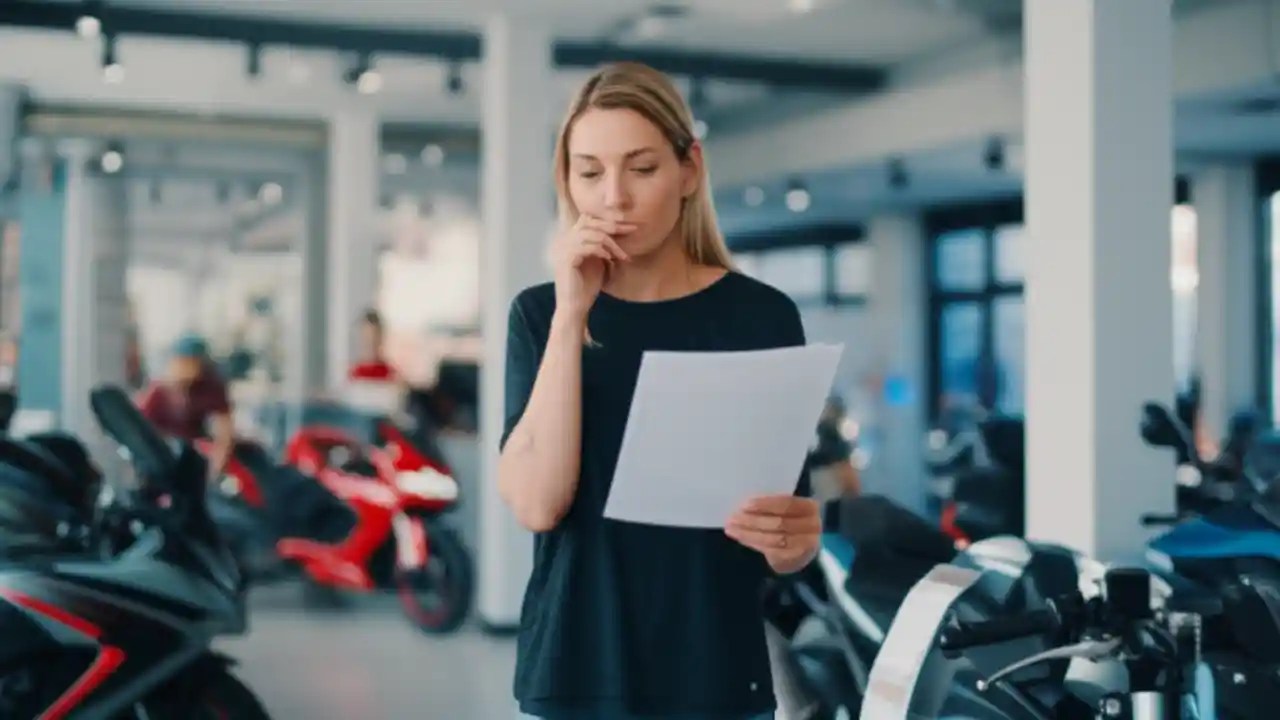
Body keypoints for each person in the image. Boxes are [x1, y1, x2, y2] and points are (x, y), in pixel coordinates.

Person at [498, 62, 821, 720]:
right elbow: (537, 503)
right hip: (576, 672)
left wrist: (798, 541)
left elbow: (790, 525)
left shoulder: (761, 316)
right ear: (569, 180)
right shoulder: (539, 315)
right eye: (589, 172)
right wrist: (571, 316)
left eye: (641, 168)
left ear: (689, 171)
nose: (613, 197)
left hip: (719, 676)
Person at [136, 335, 234, 480]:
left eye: (197, 364)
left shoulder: (210, 387)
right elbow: (138, 430)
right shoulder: (157, 392)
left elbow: (224, 433)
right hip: (161, 457)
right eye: (186, 363)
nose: (192, 369)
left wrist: (215, 470)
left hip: (194, 458)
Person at [348, 309, 397, 382]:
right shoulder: (353, 374)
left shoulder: (391, 374)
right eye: (366, 337)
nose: (370, 343)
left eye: (374, 337)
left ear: (381, 338)